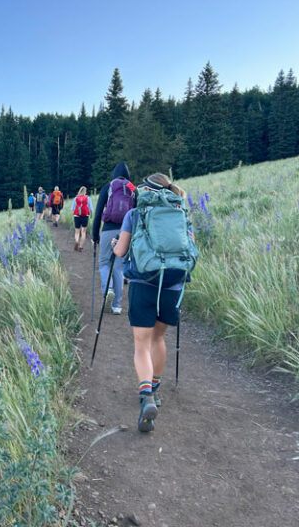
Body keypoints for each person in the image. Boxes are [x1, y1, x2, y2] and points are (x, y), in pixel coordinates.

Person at [110, 172, 195, 433]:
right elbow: (189, 249)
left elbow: (121, 251)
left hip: (143, 283)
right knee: (159, 340)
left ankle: (146, 394)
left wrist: (115, 245)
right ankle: (156, 388)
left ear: (146, 191)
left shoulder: (135, 214)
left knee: (141, 344)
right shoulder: (181, 213)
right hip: (173, 284)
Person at [92, 161, 134, 315]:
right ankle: (117, 306)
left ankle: (108, 289)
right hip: (126, 232)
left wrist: (95, 235)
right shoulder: (132, 188)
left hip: (108, 229)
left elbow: (97, 214)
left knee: (104, 263)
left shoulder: (108, 187)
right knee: (118, 267)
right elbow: (136, 214)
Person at [70, 186, 93, 251]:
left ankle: (77, 241)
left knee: (77, 231)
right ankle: (81, 246)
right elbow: (91, 208)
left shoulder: (76, 198)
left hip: (77, 216)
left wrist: (74, 214)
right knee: (83, 231)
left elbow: (72, 208)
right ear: (85, 192)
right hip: (85, 216)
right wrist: (90, 215)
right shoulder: (88, 198)